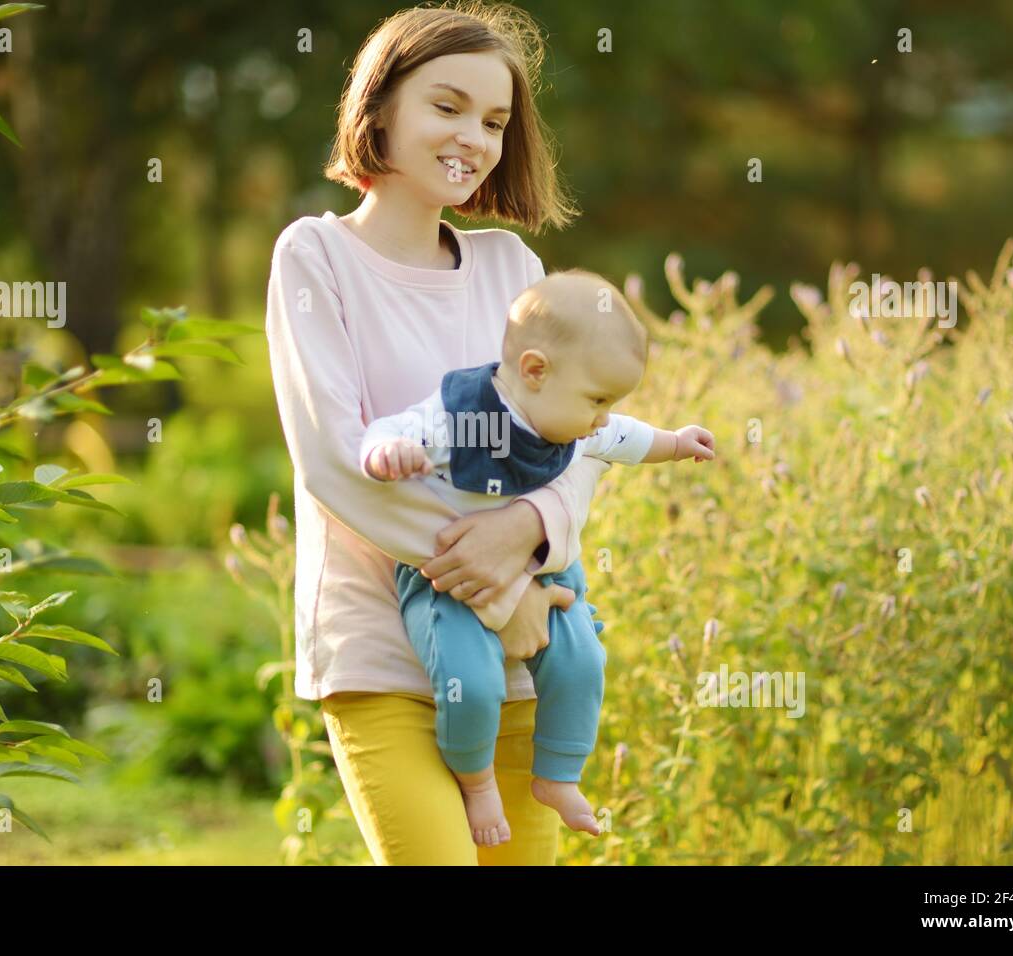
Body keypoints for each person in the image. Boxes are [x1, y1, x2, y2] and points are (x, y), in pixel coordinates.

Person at [266, 2, 608, 865]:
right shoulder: (314, 257)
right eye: (447, 107)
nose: (475, 138)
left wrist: (531, 532)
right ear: (378, 109)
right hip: (381, 652)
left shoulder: (514, 270)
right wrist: (496, 582)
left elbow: (578, 432)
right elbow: (337, 464)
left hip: (524, 655)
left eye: (494, 122)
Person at [360, 269, 716, 847]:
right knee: (470, 685)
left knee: (582, 661)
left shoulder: (574, 422)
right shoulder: (461, 414)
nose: (602, 417)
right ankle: (476, 784)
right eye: (597, 400)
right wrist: (389, 451)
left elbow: (622, 436)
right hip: (450, 582)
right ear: (534, 370)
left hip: (545, 573)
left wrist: (675, 443)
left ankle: (557, 774)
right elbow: (392, 430)